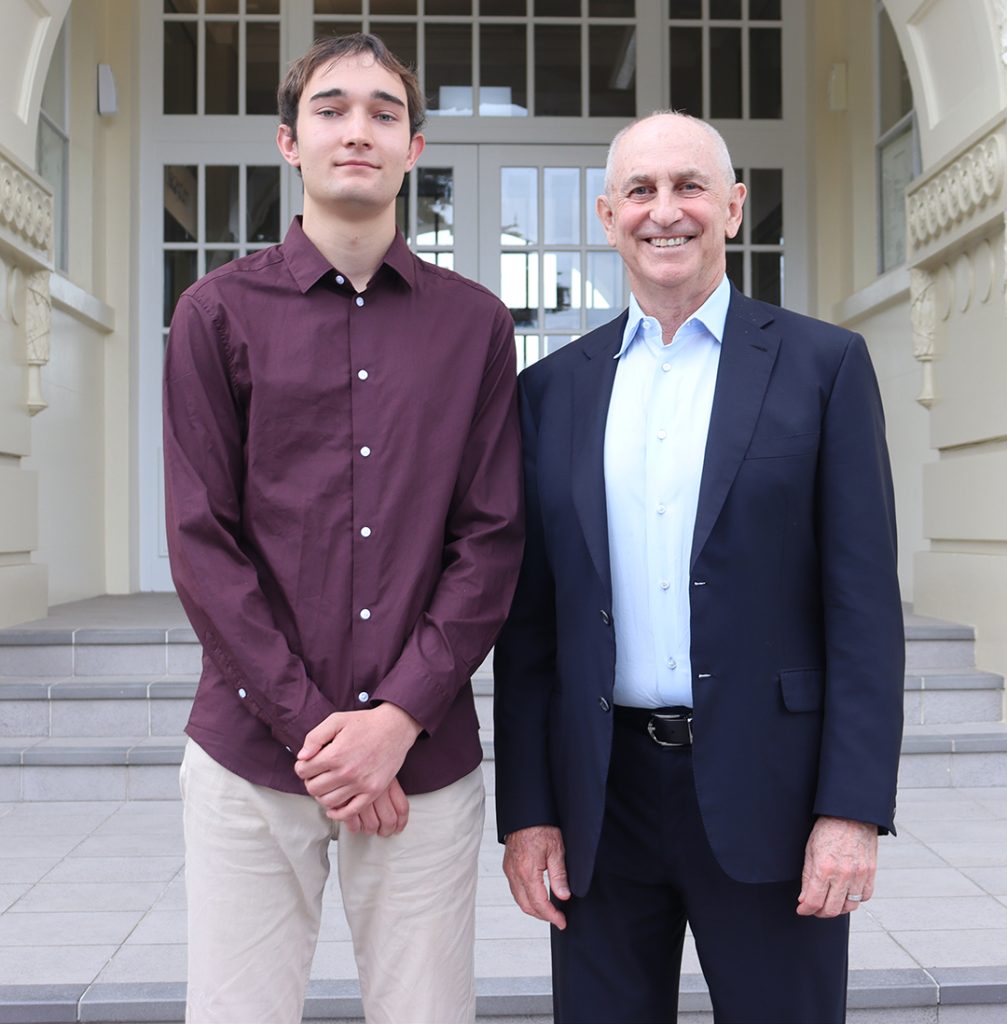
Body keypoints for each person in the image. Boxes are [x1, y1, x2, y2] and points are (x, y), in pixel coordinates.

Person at [493, 111, 905, 1024]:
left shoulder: (823, 366)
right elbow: (528, 629)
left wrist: (850, 811)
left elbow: (863, 610)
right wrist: (527, 814)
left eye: (688, 187)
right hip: (601, 802)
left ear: (733, 205)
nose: (664, 211)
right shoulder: (551, 392)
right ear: (606, 215)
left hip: (774, 794)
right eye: (639, 191)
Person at [163, 33, 522, 1024]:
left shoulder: (476, 327)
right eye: (329, 109)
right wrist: (322, 738)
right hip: (247, 752)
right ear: (288, 141)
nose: (355, 129)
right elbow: (202, 542)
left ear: (414, 148)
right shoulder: (212, 314)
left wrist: (395, 717)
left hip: (425, 757)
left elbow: (488, 540)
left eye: (381, 112)